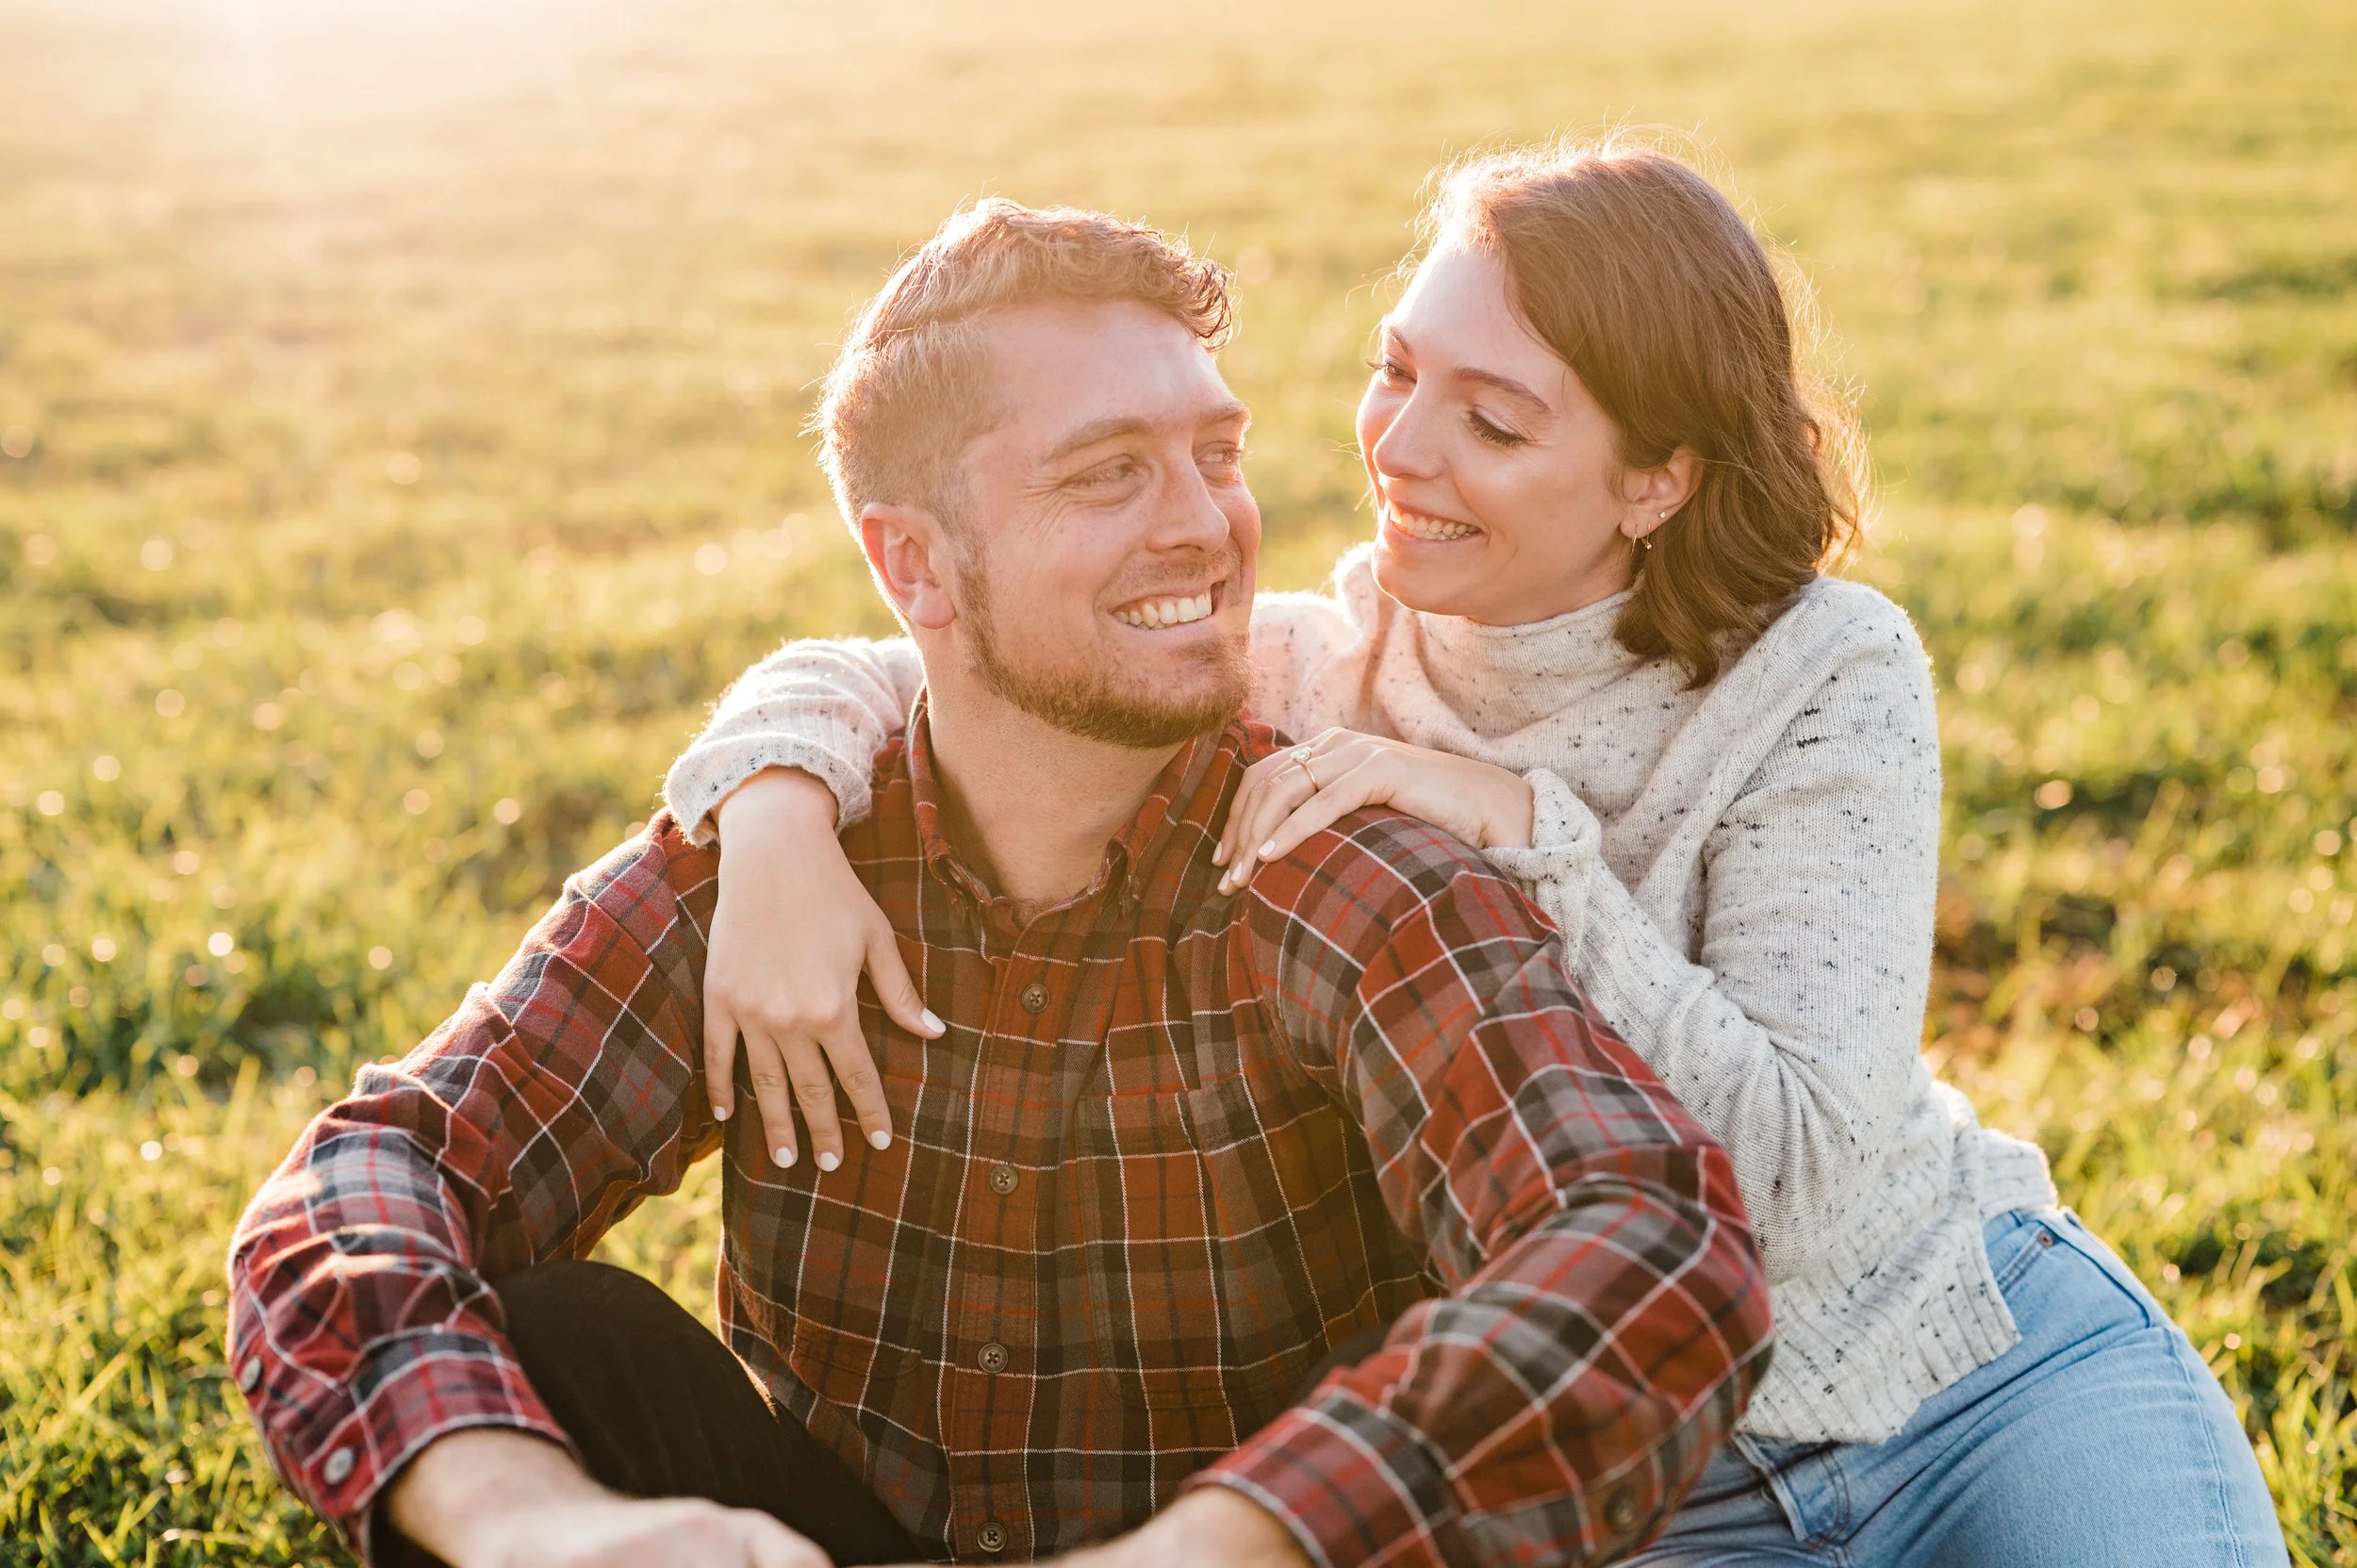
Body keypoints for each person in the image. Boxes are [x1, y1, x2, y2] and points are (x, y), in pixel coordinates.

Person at [669, 139, 2289, 1564]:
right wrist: (775, 817)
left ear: (1657, 478)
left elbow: (1792, 1174)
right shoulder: (1325, 673)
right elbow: (927, 656)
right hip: (1645, 1491)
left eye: (1492, 421)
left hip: (1976, 1365)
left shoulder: (1824, 674)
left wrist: (1532, 839)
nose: (1399, 451)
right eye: (1396, 371)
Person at [226, 198, 1772, 1568]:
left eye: (1213, 454)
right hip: (847, 1527)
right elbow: (372, 1171)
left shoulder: (1338, 860)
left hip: (1242, 1542)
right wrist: (524, 1517)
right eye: (1108, 474)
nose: (1207, 523)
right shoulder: (776, 862)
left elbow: (1648, 1233)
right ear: (916, 568)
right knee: (555, 1347)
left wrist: (1235, 1540)